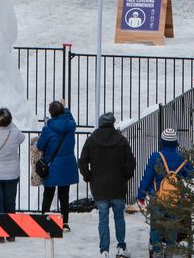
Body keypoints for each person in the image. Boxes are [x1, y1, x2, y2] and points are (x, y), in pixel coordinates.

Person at [79, 112, 136, 258]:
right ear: (112, 123)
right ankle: (121, 247)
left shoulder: (92, 140)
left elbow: (82, 161)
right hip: (118, 186)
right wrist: (125, 176)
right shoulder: (121, 140)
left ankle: (104, 250)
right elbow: (130, 162)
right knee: (119, 217)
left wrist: (89, 176)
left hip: (100, 187)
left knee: (103, 219)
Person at [137, 128, 193, 258]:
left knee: (156, 224)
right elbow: (191, 175)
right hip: (176, 196)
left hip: (157, 196)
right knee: (172, 224)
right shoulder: (182, 157)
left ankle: (157, 250)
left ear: (162, 142)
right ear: (175, 142)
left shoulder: (156, 157)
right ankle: (170, 250)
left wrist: (141, 195)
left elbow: (148, 177)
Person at [36, 100, 78, 230]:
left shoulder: (48, 129)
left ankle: (44, 220)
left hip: (52, 165)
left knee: (48, 194)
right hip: (67, 165)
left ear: (51, 113)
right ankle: (64, 222)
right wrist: (65, 108)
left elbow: (40, 146)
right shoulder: (70, 127)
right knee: (64, 195)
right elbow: (70, 119)